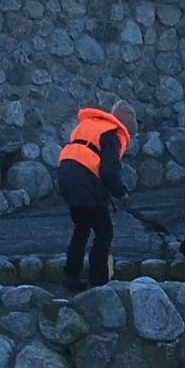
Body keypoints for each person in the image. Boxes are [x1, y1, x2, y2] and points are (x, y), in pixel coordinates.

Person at [57, 100, 137, 291]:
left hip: (66, 174)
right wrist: (121, 192)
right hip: (85, 180)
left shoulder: (91, 126)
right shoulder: (112, 134)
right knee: (104, 232)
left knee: (82, 228)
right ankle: (98, 282)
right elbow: (109, 170)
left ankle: (71, 277)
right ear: (126, 126)